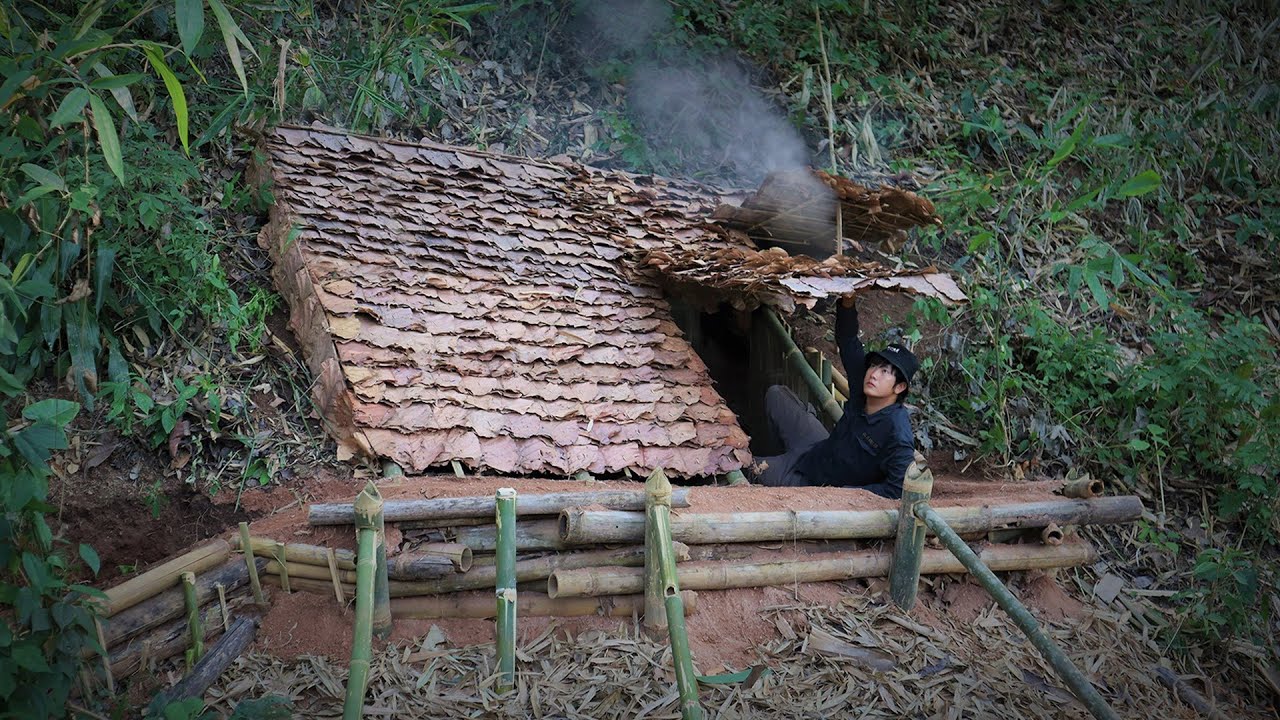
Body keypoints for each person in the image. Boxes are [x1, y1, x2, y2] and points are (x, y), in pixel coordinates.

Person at [753, 296, 919, 499]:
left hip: (813, 483)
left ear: (900, 387)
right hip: (818, 449)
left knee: (750, 469)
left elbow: (897, 489)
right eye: (875, 365)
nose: (874, 374)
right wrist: (848, 302)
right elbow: (848, 341)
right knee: (776, 395)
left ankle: (775, 472)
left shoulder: (896, 433)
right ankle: (775, 452)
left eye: (885, 371)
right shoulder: (865, 387)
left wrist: (845, 494)